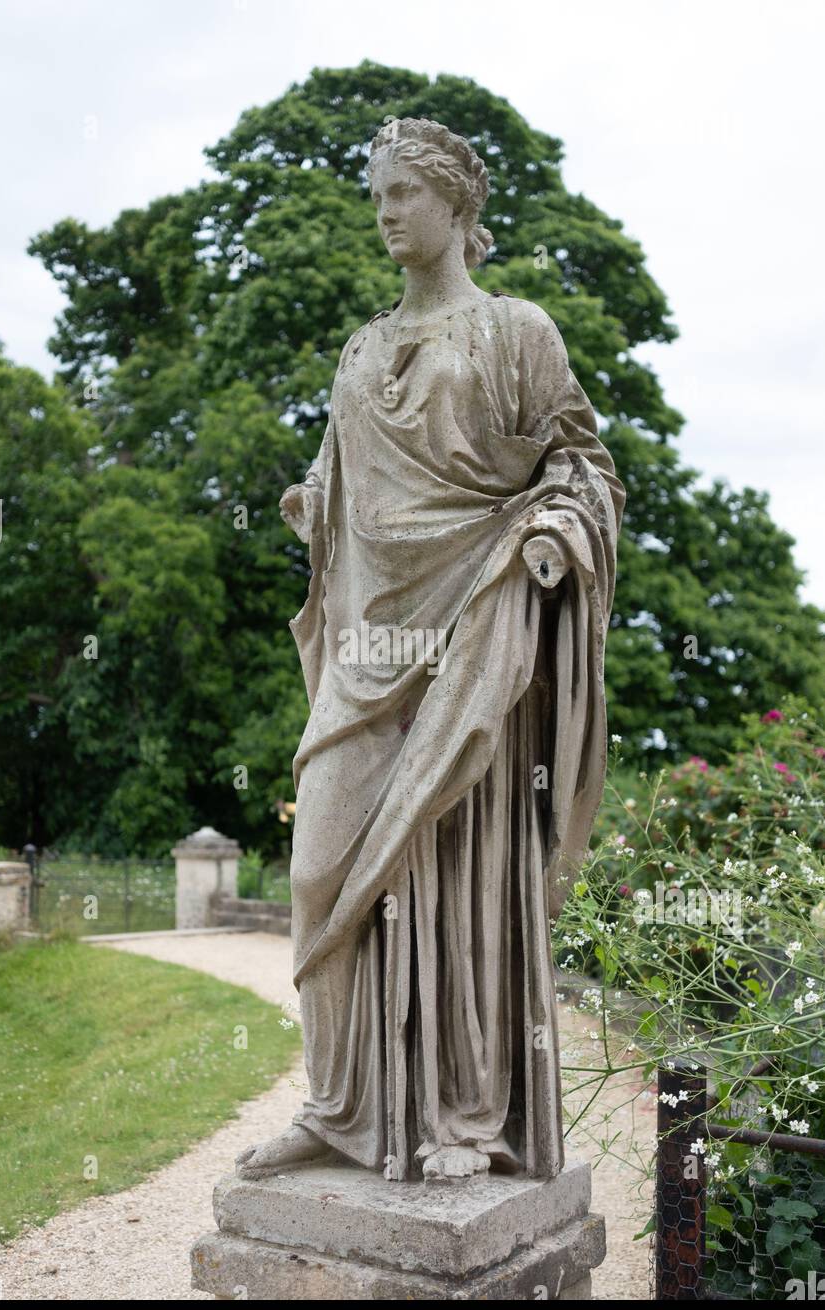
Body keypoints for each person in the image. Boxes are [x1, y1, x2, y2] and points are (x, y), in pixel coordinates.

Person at [237, 117, 624, 1183]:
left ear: (457, 208)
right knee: (318, 866)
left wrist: (553, 534)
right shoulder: (359, 349)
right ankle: (335, 1102)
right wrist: (312, 506)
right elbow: (344, 484)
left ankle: (459, 1117)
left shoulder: (515, 331)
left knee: (454, 868)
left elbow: (582, 466)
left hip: (472, 630)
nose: (383, 212)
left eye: (402, 192)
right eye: (376, 195)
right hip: (370, 643)